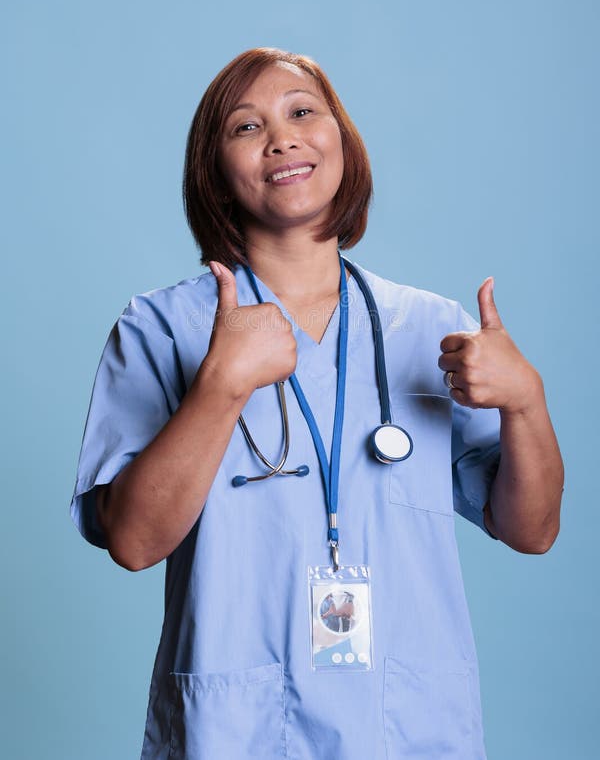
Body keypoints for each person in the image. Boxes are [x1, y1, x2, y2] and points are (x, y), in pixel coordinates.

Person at [70, 47, 564, 759]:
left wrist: (526, 403)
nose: (282, 137)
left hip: (407, 728)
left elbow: (533, 529)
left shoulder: (431, 329)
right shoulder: (162, 329)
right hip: (233, 731)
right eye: (245, 127)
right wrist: (221, 386)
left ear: (342, 139)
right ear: (214, 171)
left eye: (303, 111)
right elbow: (134, 542)